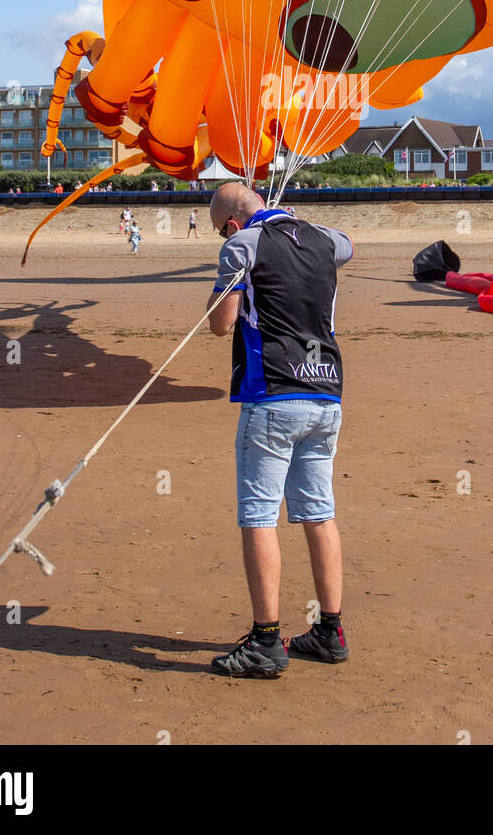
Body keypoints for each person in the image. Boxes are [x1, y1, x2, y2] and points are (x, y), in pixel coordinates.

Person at [206, 182, 353, 678]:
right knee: (319, 511)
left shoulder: (240, 245)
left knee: (259, 515)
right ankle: (329, 630)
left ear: (230, 223)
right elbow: (344, 244)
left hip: (274, 395)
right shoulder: (325, 239)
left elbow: (221, 325)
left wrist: (240, 269)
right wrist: (289, 224)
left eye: (218, 232)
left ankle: (266, 640)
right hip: (326, 394)